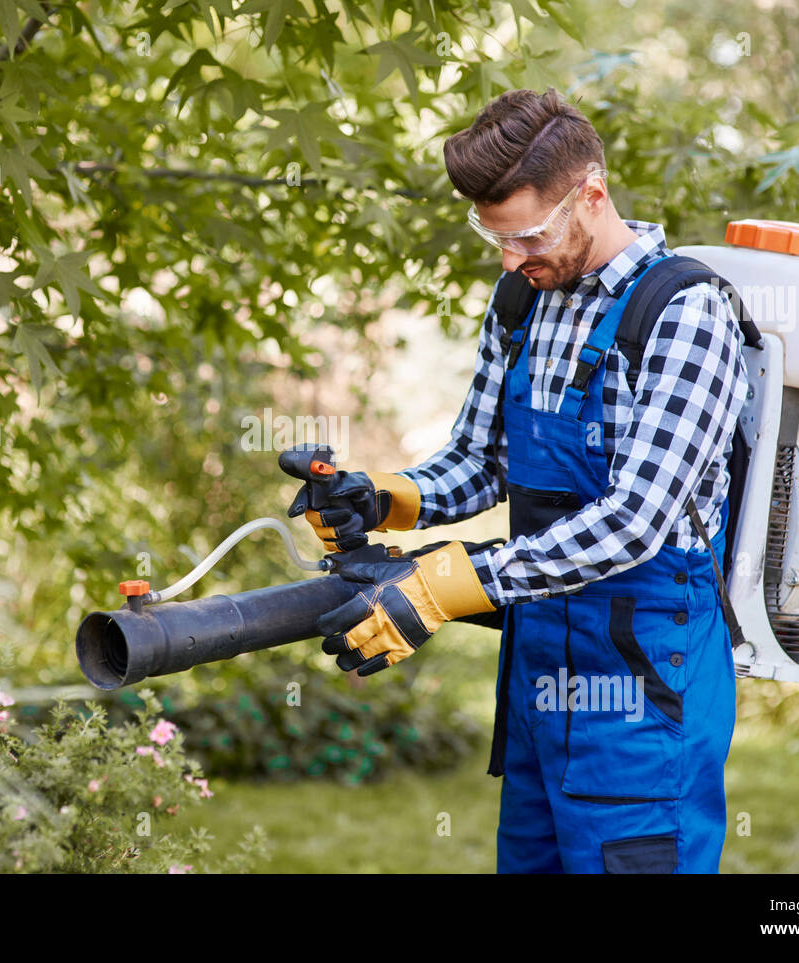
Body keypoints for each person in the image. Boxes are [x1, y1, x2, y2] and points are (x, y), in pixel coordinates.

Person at [287, 88, 749, 874]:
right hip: (541, 686)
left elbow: (633, 520)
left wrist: (444, 584)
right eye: (494, 237)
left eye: (527, 235)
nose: (510, 258)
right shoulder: (520, 300)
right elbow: (482, 462)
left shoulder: (684, 313)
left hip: (644, 697)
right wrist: (387, 496)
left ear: (592, 194)